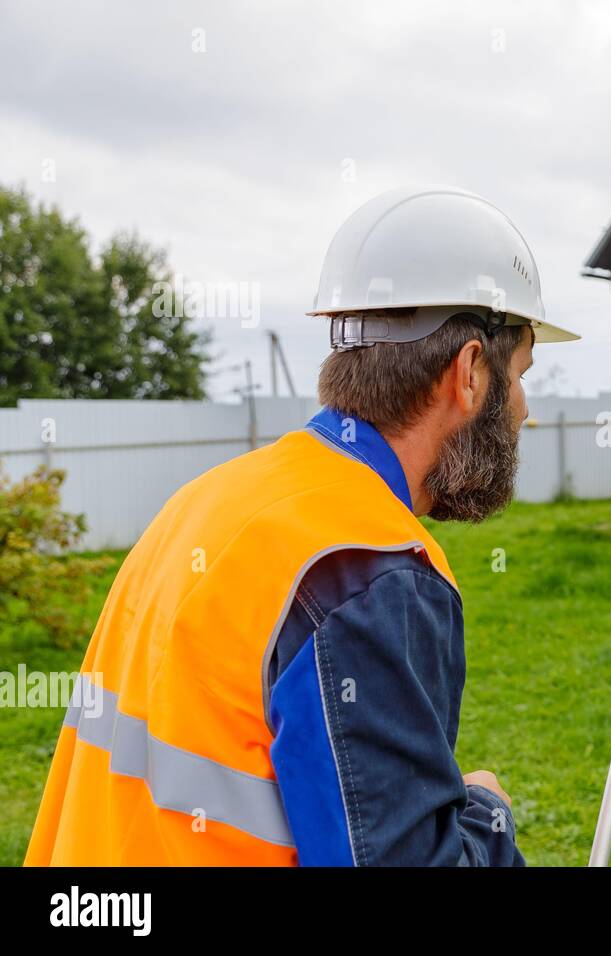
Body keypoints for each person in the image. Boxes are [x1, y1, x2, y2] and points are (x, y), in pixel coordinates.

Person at [25, 186, 579, 866]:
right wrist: (487, 813)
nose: (526, 411)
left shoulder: (210, 500)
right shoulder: (364, 569)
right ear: (468, 372)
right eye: (521, 375)